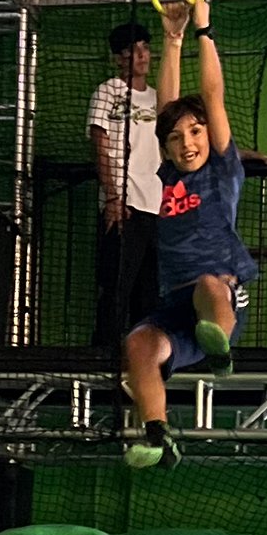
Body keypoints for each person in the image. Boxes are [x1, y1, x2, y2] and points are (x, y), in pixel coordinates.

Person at [123, 0, 258, 470]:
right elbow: (168, 106)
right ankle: (158, 436)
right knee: (139, 343)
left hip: (219, 293)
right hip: (175, 306)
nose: (187, 143)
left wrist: (203, 31)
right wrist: (172, 39)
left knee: (208, 287)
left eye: (196, 132)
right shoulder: (169, 173)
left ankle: (220, 347)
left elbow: (212, 95)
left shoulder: (222, 168)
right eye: (177, 138)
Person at [87, 20, 162, 348]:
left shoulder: (158, 98)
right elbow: (99, 143)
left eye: (145, 48)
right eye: (133, 50)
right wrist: (113, 197)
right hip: (124, 204)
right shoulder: (108, 91)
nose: (142, 55)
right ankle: (104, 352)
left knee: (149, 291)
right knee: (116, 285)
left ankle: (143, 356)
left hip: (155, 206)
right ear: (119, 58)